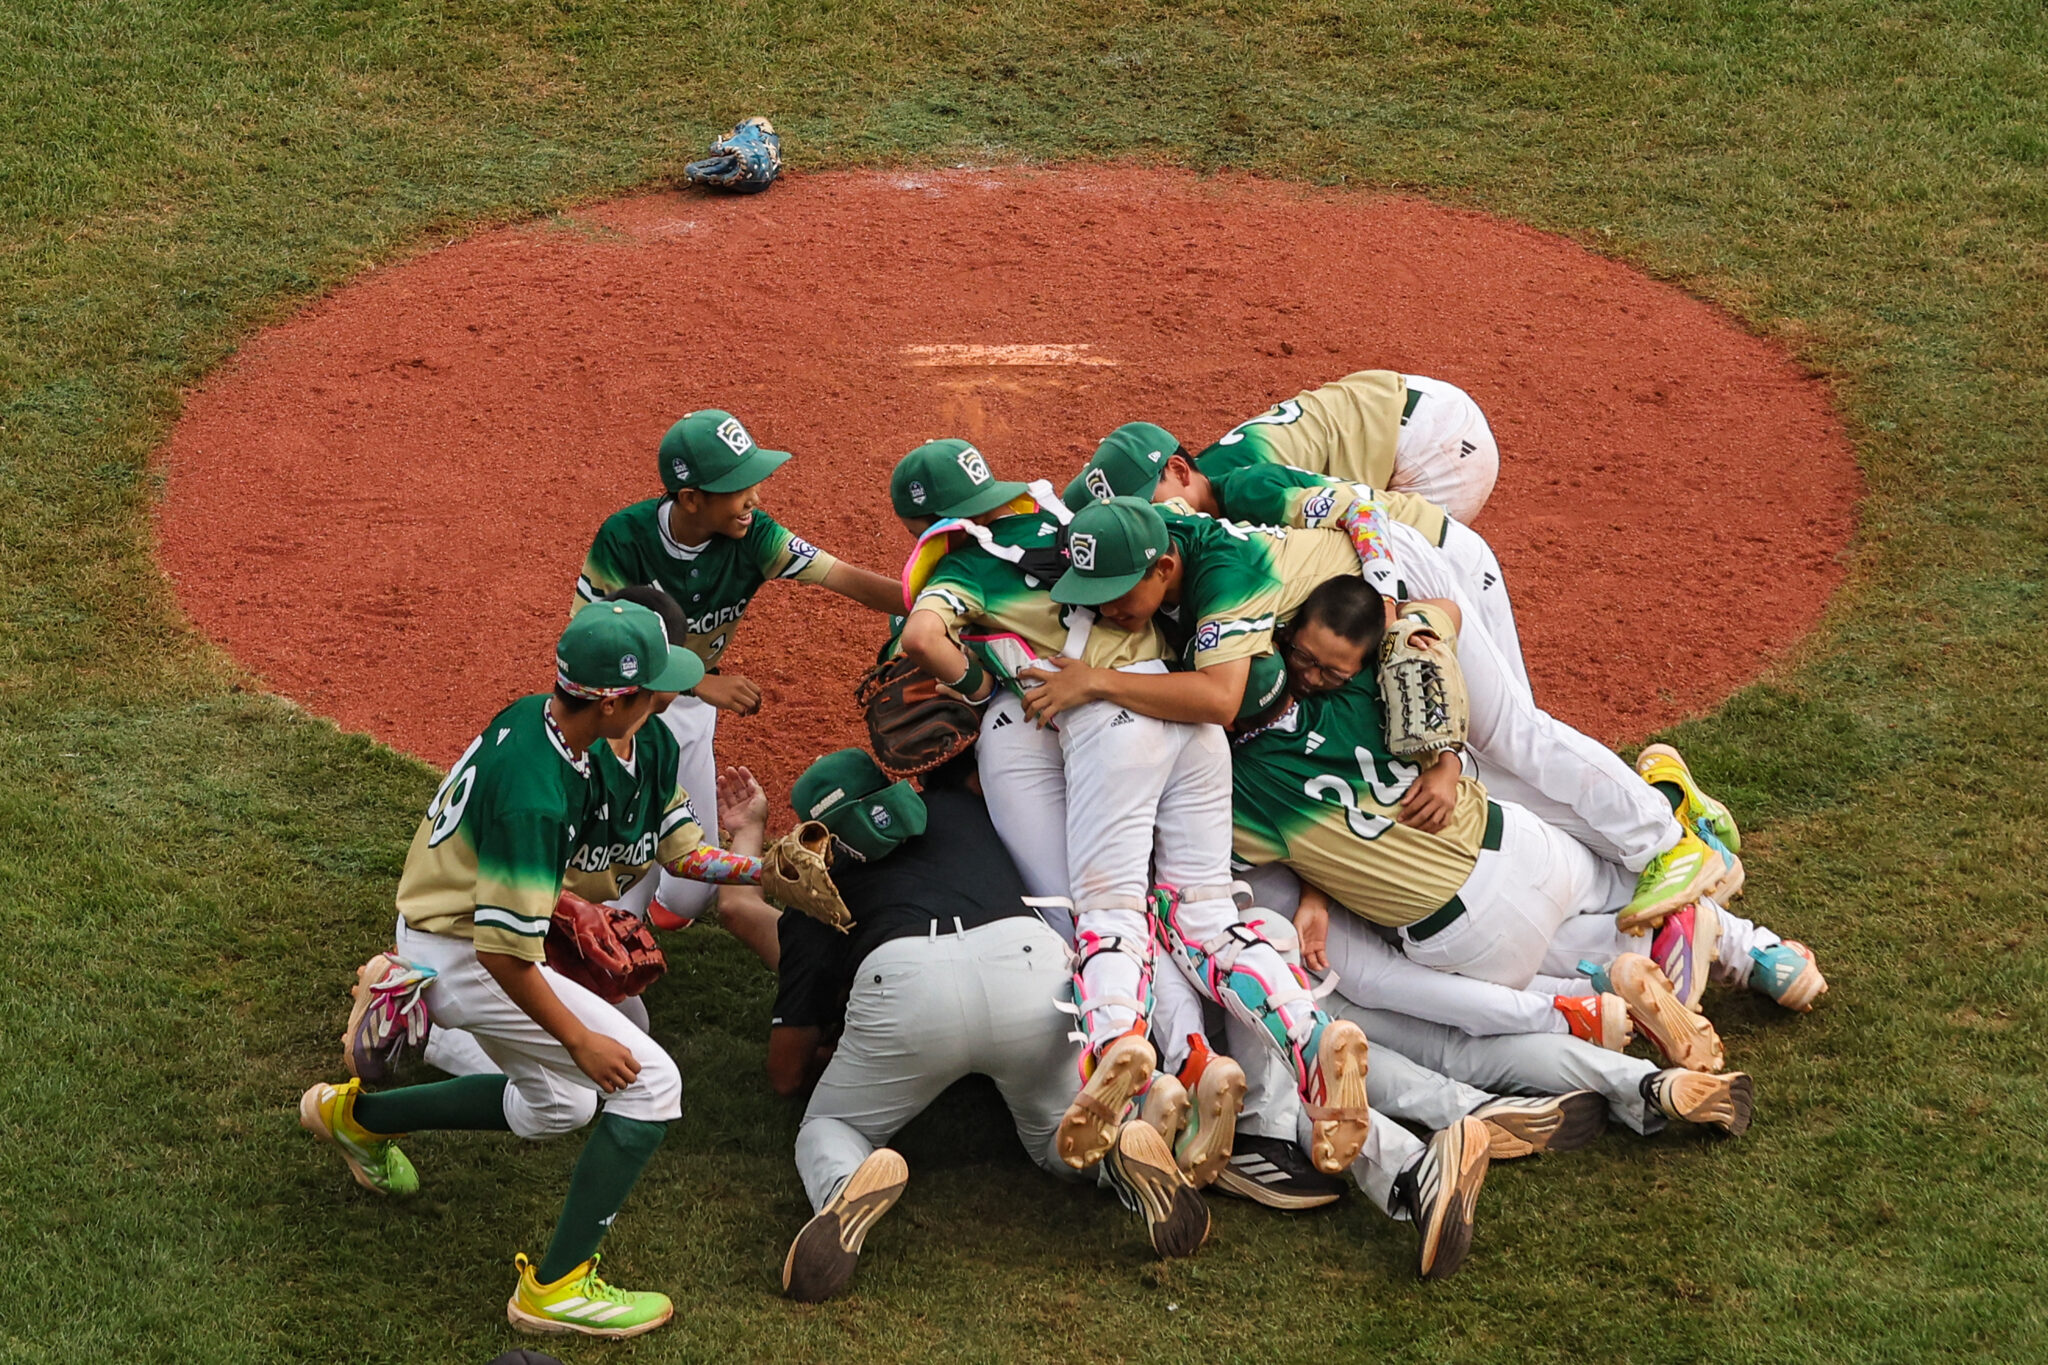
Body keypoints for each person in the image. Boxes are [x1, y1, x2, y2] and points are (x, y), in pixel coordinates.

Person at [299, 602, 788, 1340]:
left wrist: (762, 867)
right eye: (660, 685)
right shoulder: (533, 785)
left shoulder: (618, 734)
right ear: (615, 698)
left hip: (495, 926)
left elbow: (681, 848)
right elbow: (503, 951)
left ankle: (354, 1116)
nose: (675, 695)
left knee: (561, 1107)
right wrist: (580, 1037)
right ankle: (555, 1288)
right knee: (650, 1081)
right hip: (456, 948)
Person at [890, 443, 1373, 1179]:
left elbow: (923, 636)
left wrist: (979, 680)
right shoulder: (1089, 523)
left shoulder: (967, 569)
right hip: (1197, 733)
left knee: (1108, 914)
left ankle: (1123, 1050)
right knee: (1206, 913)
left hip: (1118, 728)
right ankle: (1310, 1037)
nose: (1104, 597)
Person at [1064, 434, 1736, 928]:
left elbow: (1358, 512)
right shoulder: (1176, 536)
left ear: (1180, 473)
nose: (1140, 519)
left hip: (1404, 578)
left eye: (1141, 500)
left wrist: (1389, 600)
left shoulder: (1244, 492)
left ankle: (1665, 838)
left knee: (1508, 735)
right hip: (1356, 609)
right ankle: (1657, 817)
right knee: (1485, 770)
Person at [744, 748, 1208, 1302]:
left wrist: (843, 1048)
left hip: (903, 986)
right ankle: (1122, 1156)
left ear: (814, 830)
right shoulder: (961, 810)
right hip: (1029, 962)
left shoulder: (818, 891)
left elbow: (784, 1075)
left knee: (831, 1125)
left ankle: (845, 1182)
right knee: (1054, 1135)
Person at [574, 409, 901, 959]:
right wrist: (701, 682)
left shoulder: (756, 534)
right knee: (612, 879)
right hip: (615, 717)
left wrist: (946, 603)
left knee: (692, 889)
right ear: (690, 497)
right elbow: (590, 647)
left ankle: (655, 908)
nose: (752, 497)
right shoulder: (624, 539)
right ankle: (604, 934)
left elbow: (850, 581)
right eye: (734, 487)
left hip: (687, 708)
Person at [1191, 370, 1502, 524]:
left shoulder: (1239, 499)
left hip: (1438, 453)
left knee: (1389, 575)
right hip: (1401, 399)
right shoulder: (1195, 474)